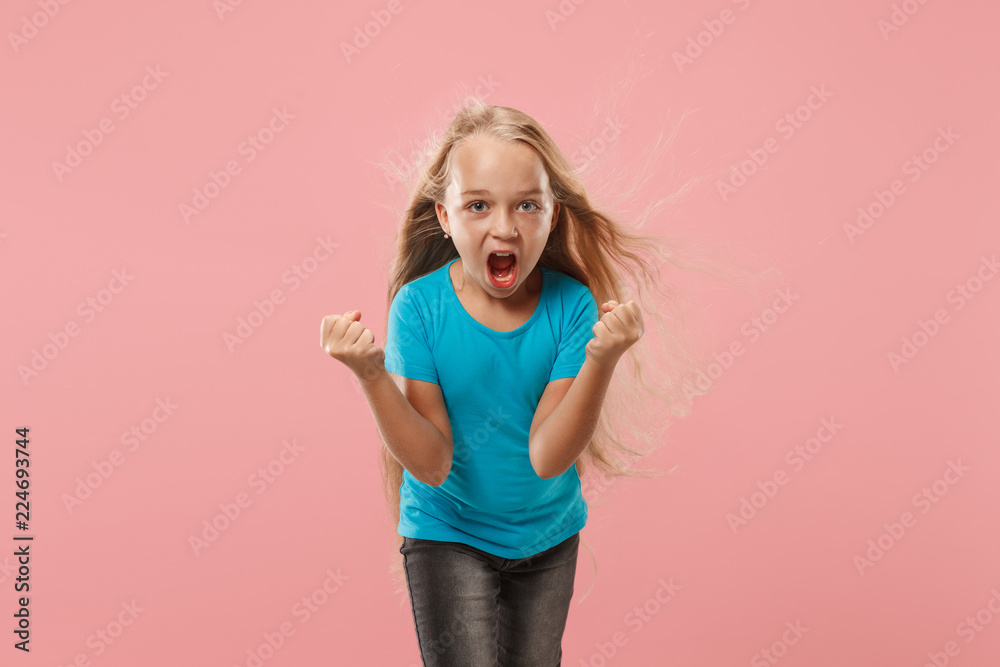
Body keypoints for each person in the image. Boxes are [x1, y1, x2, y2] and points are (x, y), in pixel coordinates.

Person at [321, 101, 732, 665]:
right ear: (445, 217)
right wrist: (371, 375)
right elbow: (434, 463)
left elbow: (547, 455)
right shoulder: (420, 308)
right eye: (479, 205)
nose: (505, 226)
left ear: (552, 216)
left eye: (527, 205)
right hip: (448, 535)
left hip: (547, 540)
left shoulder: (571, 305)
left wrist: (602, 358)